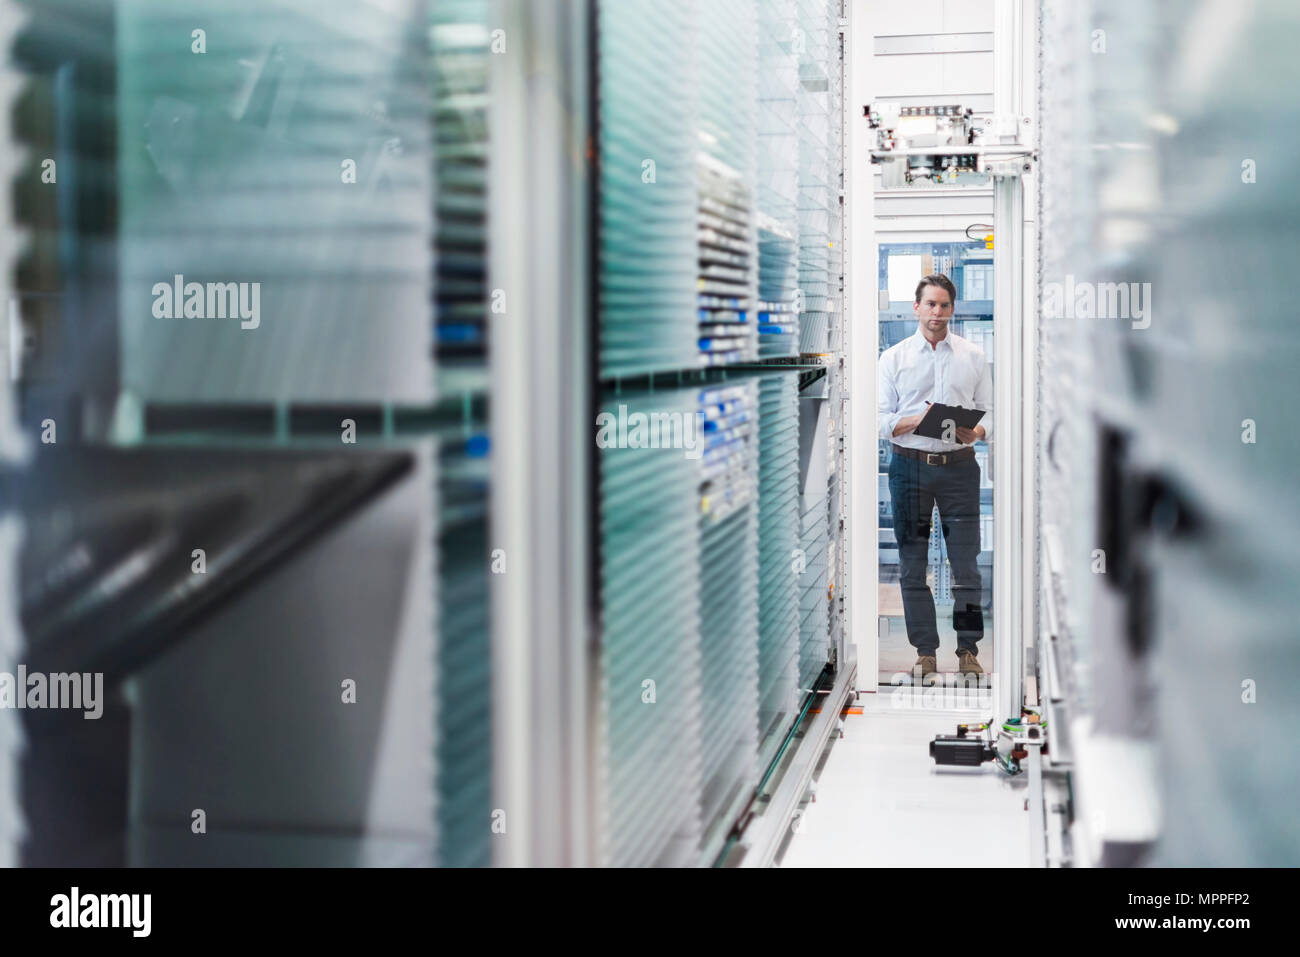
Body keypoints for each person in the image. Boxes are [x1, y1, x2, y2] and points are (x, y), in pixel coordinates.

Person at [878, 274, 992, 682]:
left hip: (959, 467)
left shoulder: (972, 356)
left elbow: (988, 411)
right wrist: (920, 420)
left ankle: (968, 650)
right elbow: (880, 421)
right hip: (909, 468)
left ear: (952, 309)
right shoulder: (893, 359)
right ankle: (925, 651)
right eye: (930, 304)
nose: (937, 313)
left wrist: (976, 432)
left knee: (966, 566)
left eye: (944, 305)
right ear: (916, 307)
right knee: (912, 565)